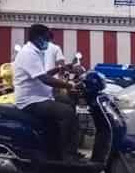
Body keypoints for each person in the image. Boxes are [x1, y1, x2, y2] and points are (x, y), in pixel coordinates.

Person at [11, 23, 82, 164]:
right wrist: (69, 85)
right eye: (46, 38)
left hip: (41, 97)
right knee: (67, 113)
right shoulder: (28, 53)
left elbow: (42, 74)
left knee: (69, 104)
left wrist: (61, 69)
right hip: (30, 101)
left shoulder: (36, 52)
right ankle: (68, 156)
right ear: (38, 38)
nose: (48, 42)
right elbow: (44, 79)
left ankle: (56, 150)